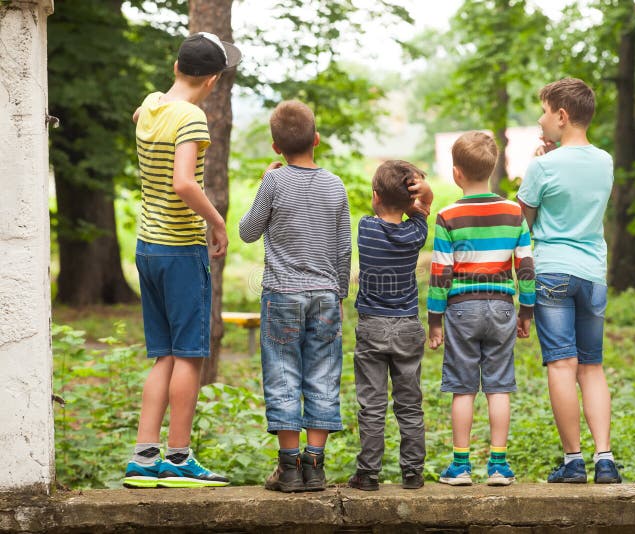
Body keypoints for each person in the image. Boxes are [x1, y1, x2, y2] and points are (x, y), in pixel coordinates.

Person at [123, 32, 241, 489]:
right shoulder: (192, 118)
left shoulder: (152, 104)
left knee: (164, 355)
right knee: (189, 355)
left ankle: (143, 457)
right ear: (212, 79)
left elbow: (139, 113)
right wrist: (216, 222)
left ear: (176, 67)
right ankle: (177, 457)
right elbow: (183, 183)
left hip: (147, 248)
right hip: (179, 248)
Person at [239, 100, 351, 493]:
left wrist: (264, 181)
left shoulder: (274, 182)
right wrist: (341, 292)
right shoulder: (335, 184)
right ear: (316, 140)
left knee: (283, 374)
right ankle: (315, 466)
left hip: (282, 295)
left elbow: (248, 231)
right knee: (323, 375)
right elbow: (343, 248)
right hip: (324, 293)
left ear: (275, 148)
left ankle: (288, 470)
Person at [517, 77, 621, 484]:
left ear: (561, 116)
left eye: (544, 111)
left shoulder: (542, 166)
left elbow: (521, 223)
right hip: (593, 274)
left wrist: (542, 162)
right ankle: (605, 459)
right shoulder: (605, 160)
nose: (541, 118)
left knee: (562, 365)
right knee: (591, 367)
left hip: (553, 272)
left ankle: (573, 460)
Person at [428, 131, 535, 487]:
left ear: (457, 173)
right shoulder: (513, 212)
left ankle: (460, 466)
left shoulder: (447, 216)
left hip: (461, 309)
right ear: (492, 169)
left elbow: (440, 272)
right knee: (498, 385)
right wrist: (526, 312)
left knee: (463, 387)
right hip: (503, 307)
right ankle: (499, 465)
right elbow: (526, 266)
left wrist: (434, 320)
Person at [346, 161, 434, 492]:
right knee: (409, 403)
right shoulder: (416, 234)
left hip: (372, 328)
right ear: (409, 201)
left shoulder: (366, 228)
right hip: (408, 327)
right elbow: (422, 212)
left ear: (376, 196)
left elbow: (405, 210)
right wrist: (423, 198)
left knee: (372, 404)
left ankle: (368, 474)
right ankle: (413, 473)